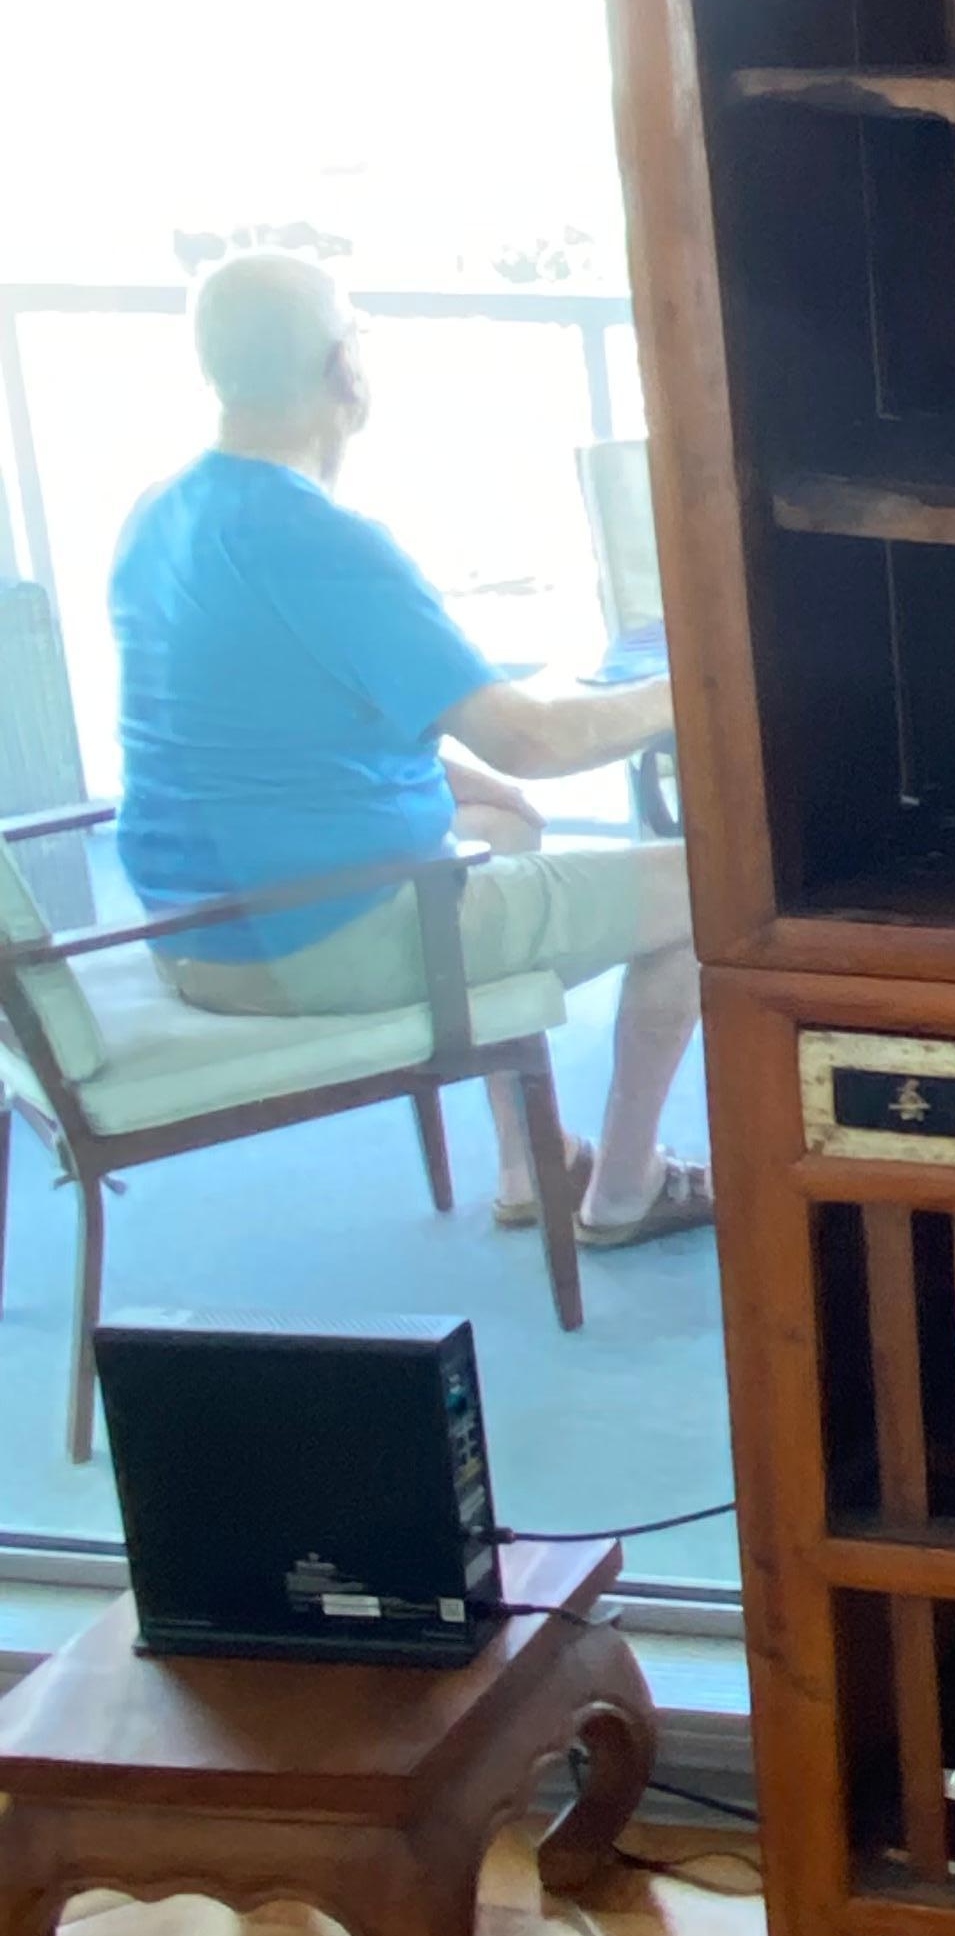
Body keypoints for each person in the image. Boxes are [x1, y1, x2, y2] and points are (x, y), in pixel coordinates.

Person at [110, 252, 710, 1247]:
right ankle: (628, 1187)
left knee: (498, 823)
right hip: (317, 942)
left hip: (191, 927)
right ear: (349, 370)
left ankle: (531, 1161)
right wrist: (697, 688)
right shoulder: (324, 541)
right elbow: (533, 736)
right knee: (706, 889)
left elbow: (247, 715)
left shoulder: (158, 513)